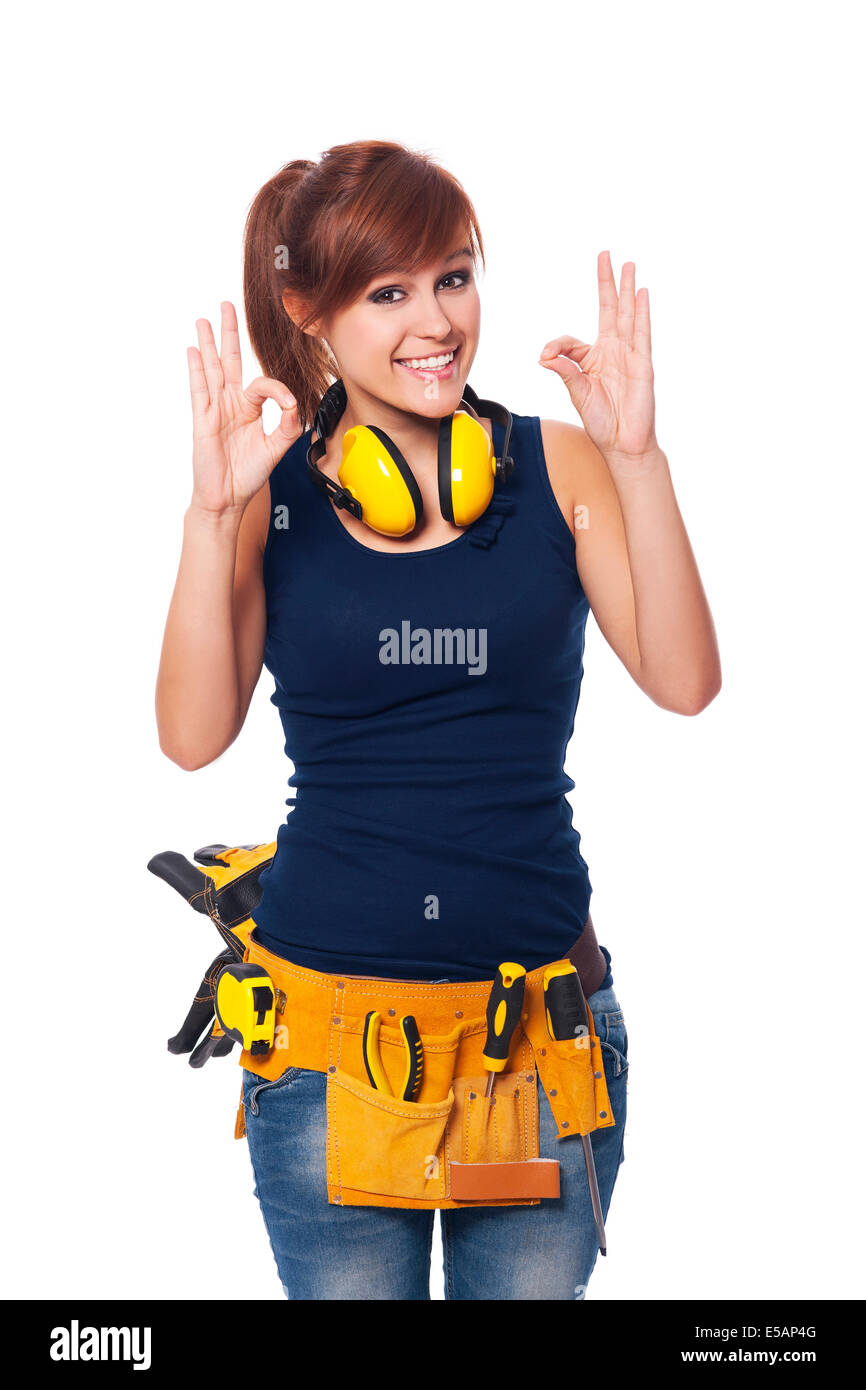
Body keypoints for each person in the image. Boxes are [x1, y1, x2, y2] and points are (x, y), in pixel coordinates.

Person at [155, 139, 721, 1300]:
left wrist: (638, 457)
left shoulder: (558, 466)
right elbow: (190, 734)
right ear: (308, 312)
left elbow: (683, 680)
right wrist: (212, 518)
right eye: (387, 291)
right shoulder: (265, 498)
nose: (436, 320)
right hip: (322, 1054)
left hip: (538, 1045)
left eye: (453, 275)